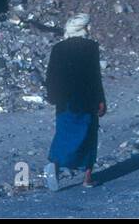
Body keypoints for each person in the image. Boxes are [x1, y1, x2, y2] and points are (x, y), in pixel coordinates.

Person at [44, 14, 105, 191]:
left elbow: (51, 76)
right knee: (89, 135)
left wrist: (53, 97)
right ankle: (87, 177)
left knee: (63, 133)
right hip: (87, 100)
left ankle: (54, 165)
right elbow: (95, 77)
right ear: (83, 29)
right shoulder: (91, 47)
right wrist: (101, 100)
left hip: (65, 101)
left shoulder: (58, 48)